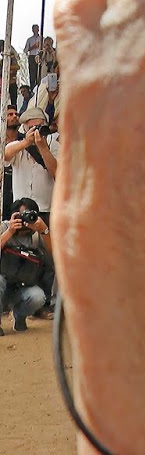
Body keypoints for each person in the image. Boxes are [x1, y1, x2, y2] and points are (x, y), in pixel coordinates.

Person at [0, 201, 51, 331]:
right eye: (22, 216)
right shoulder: (4, 227)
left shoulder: (36, 235)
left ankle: (19, 316)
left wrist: (45, 231)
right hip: (3, 283)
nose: (26, 221)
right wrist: (10, 232)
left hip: (21, 286)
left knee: (38, 297)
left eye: (30, 216)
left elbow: (54, 254)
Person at [4, 108, 58, 219]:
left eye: (39, 127)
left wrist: (43, 148)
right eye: (31, 128)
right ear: (25, 129)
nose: (36, 131)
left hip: (46, 210)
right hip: (20, 209)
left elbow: (57, 173)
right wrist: (26, 142)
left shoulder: (53, 146)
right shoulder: (18, 146)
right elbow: (5, 155)